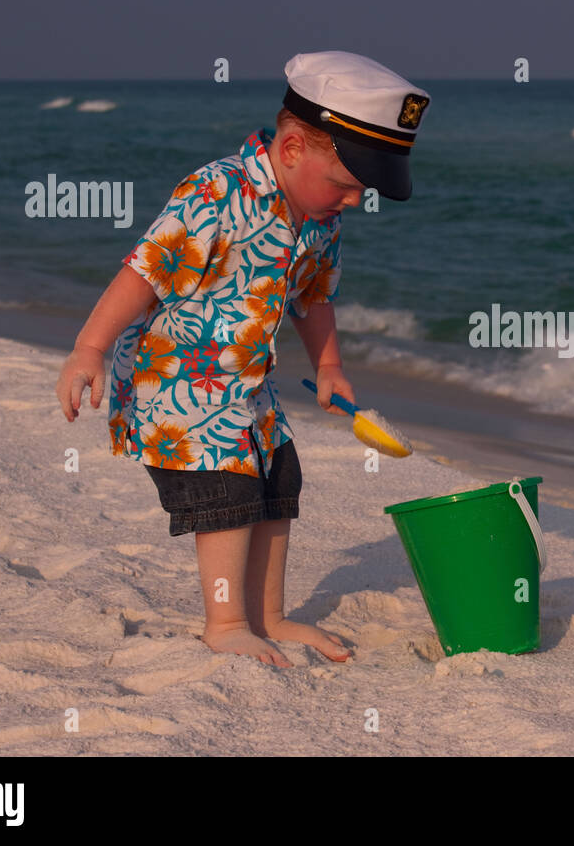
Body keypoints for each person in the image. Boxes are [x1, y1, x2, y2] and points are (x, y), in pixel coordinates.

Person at [54, 51, 430, 668]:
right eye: (346, 182)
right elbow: (146, 269)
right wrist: (89, 349)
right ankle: (226, 622)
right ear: (290, 149)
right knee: (227, 495)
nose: (356, 199)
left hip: (248, 387)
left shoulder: (317, 215)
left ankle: (269, 616)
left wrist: (330, 366)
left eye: (364, 187)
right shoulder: (216, 192)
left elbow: (313, 297)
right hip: (177, 388)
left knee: (280, 480)